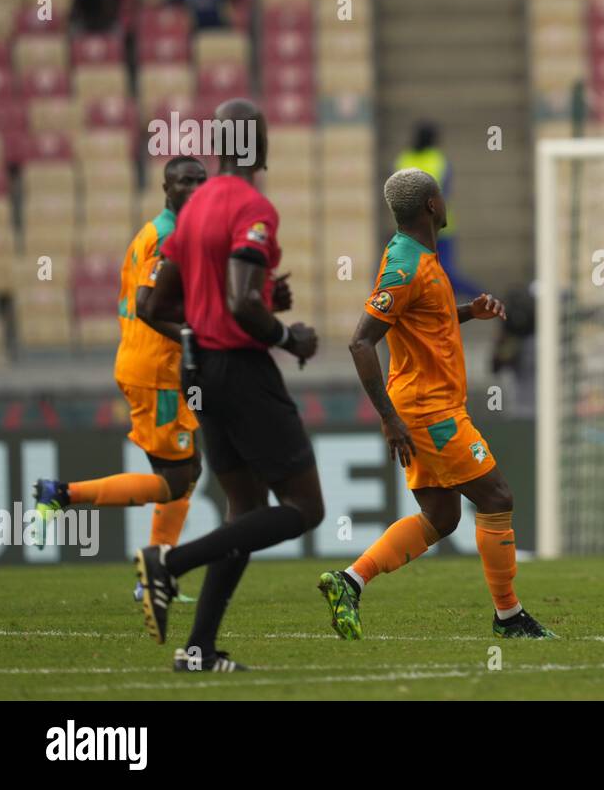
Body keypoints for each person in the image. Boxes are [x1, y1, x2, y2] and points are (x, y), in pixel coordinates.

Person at [318, 169, 555, 640]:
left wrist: (469, 311)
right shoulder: (405, 266)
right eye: (442, 197)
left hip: (428, 407)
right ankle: (509, 616)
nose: (447, 204)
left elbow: (423, 322)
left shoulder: (419, 257)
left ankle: (350, 581)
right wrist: (388, 420)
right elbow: (360, 343)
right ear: (431, 205)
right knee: (497, 497)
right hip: (430, 412)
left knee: (442, 518)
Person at [135, 98, 322, 673]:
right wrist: (287, 336)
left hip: (201, 373)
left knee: (244, 505)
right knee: (305, 507)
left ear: (218, 145)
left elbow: (158, 302)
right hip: (241, 371)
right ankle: (169, 563)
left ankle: (197, 650)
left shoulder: (194, 209)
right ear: (259, 145)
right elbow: (241, 301)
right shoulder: (251, 206)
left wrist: (252, 304)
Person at [34, 157, 209, 605]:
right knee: (176, 479)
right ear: (165, 187)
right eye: (183, 181)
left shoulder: (156, 231)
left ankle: (154, 574)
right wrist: (196, 337)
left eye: (200, 181)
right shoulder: (168, 237)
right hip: (157, 371)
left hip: (153, 366)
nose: (193, 188)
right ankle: (63, 495)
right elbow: (152, 307)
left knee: (185, 473)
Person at [395, 122, 479, 298]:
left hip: (413, 230)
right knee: (445, 272)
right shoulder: (439, 160)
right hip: (440, 227)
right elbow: (445, 194)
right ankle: (480, 295)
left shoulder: (404, 159)